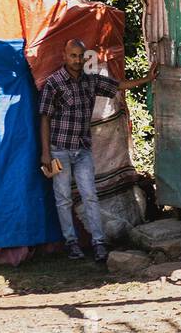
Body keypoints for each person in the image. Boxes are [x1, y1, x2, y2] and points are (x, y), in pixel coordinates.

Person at [39, 39, 158, 262]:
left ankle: (98, 243)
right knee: (63, 198)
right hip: (59, 151)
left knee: (89, 196)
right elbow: (44, 118)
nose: (76, 60)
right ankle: (71, 243)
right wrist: (46, 153)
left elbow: (118, 86)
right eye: (72, 56)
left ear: (85, 58)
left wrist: (147, 78)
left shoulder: (90, 81)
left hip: (82, 150)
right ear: (64, 56)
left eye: (80, 56)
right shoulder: (54, 83)